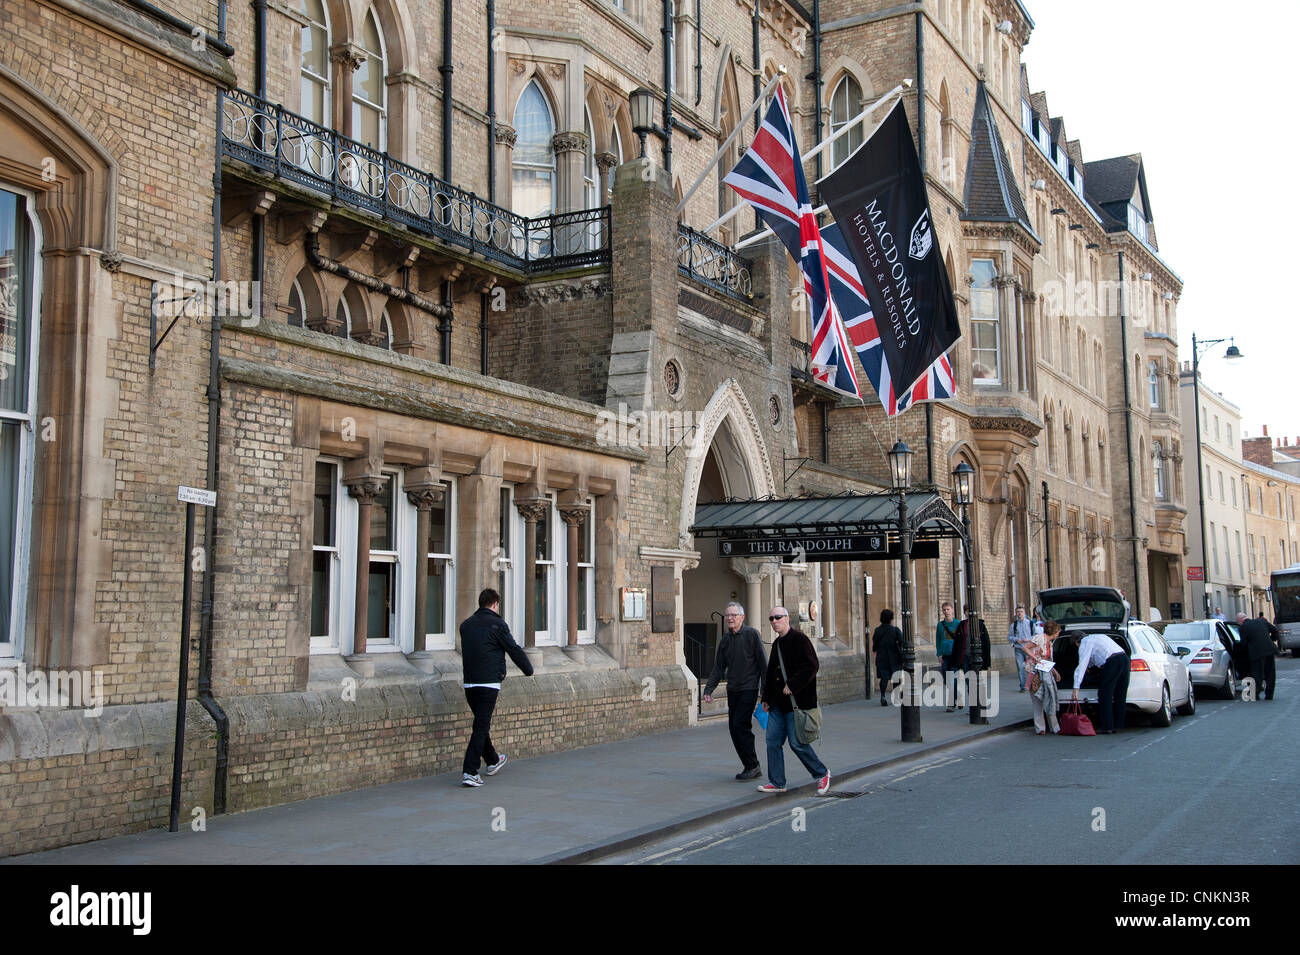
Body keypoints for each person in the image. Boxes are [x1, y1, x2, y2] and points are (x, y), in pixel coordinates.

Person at [459, 588, 534, 787]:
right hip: (489, 683)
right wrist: (528, 669)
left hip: (469, 683)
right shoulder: (497, 624)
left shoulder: (466, 626)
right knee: (481, 726)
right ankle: (470, 771)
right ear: (494, 604)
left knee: (481, 724)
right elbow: (513, 648)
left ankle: (492, 760)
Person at [758, 607, 831, 795]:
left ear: (787, 619)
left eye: (778, 617)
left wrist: (793, 684)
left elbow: (812, 665)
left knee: (797, 743)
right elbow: (770, 674)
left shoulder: (800, 640)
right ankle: (777, 782)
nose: (774, 621)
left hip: (797, 704)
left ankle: (821, 773)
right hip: (777, 705)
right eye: (771, 618)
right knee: (772, 742)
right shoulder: (777, 645)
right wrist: (765, 698)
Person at [702, 601, 768, 779]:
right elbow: (718, 667)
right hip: (733, 689)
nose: (729, 618)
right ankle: (750, 765)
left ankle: (753, 765)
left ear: (742, 617)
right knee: (733, 728)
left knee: (740, 725)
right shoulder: (725, 639)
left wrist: (764, 692)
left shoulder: (752, 635)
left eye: (733, 615)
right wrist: (708, 690)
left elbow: (764, 665)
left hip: (749, 688)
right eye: (727, 615)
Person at [1068, 629, 1129, 733]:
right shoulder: (1099, 636)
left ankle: (1107, 726)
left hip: (1112, 663)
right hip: (1124, 659)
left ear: (1076, 642)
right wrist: (1089, 666)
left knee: (1105, 694)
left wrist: (1076, 688)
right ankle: (1119, 724)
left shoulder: (1084, 643)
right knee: (1120, 694)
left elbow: (1082, 665)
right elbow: (1094, 658)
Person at [1026, 620, 1061, 734]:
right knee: (1037, 701)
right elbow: (1025, 647)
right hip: (1035, 673)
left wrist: (1055, 672)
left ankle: (1054, 727)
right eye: (1058, 631)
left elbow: (1047, 660)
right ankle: (1040, 728)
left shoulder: (1049, 643)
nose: (1059, 633)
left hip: (1045, 672)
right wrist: (1035, 659)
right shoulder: (1040, 638)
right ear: (1055, 631)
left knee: (1049, 699)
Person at [1237, 612, 1277, 700]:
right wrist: (1272, 639)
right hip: (1269, 650)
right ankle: (1269, 695)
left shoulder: (1243, 627)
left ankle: (1255, 694)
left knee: (1257, 674)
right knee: (1270, 674)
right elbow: (1274, 630)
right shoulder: (1261, 621)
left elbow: (1243, 643)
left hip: (1256, 653)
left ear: (1240, 621)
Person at [958, 607, 991, 710]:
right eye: (967, 611)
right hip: (966, 657)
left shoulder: (980, 625)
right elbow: (957, 644)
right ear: (965, 613)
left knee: (978, 681)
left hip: (978, 658)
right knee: (969, 682)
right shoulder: (962, 625)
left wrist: (986, 661)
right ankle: (974, 706)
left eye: (972, 611)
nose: (970, 613)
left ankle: (981, 703)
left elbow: (986, 643)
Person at [935, 601, 964, 711]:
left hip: (955, 655)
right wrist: (939, 654)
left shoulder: (958, 623)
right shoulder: (940, 625)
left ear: (952, 610)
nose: (946, 612)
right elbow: (938, 640)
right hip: (945, 655)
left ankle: (951, 703)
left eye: (948, 609)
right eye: (944, 610)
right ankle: (958, 696)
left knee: (953, 678)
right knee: (947, 680)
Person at [872, 608, 903, 706]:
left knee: (884, 678)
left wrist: (875, 651)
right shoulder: (895, 630)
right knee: (896, 678)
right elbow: (902, 641)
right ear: (891, 618)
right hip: (895, 657)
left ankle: (883, 696)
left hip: (882, 657)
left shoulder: (877, 630)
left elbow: (875, 644)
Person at [1008, 604, 1033, 692]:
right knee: (1020, 667)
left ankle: (1030, 685)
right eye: (1018, 612)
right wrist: (1016, 639)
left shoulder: (1030, 623)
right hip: (1018, 648)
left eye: (1021, 612)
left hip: (1028, 649)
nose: (1019, 614)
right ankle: (1023, 686)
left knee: (1029, 668)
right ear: (1016, 613)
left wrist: (1029, 639)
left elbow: (1037, 636)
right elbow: (1009, 637)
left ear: (1024, 612)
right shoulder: (1014, 625)